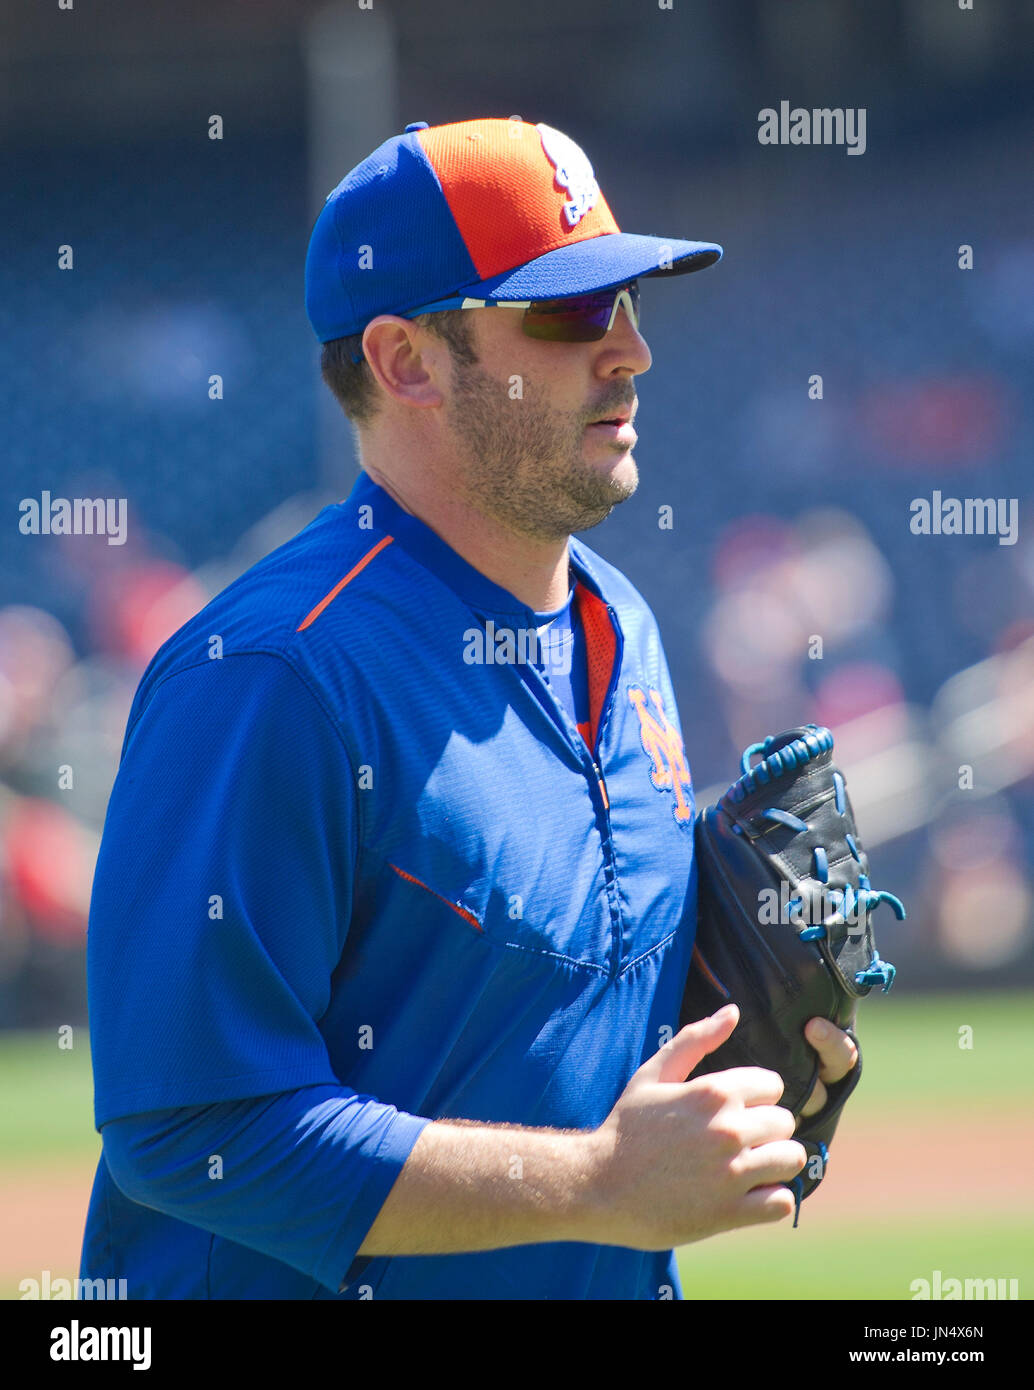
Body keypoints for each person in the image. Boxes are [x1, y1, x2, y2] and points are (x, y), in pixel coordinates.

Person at [79, 117, 859, 1301]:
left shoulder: (623, 624)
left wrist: (736, 1090)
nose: (631, 351)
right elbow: (190, 1128)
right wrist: (597, 1180)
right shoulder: (268, 674)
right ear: (404, 363)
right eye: (569, 312)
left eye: (630, 302)